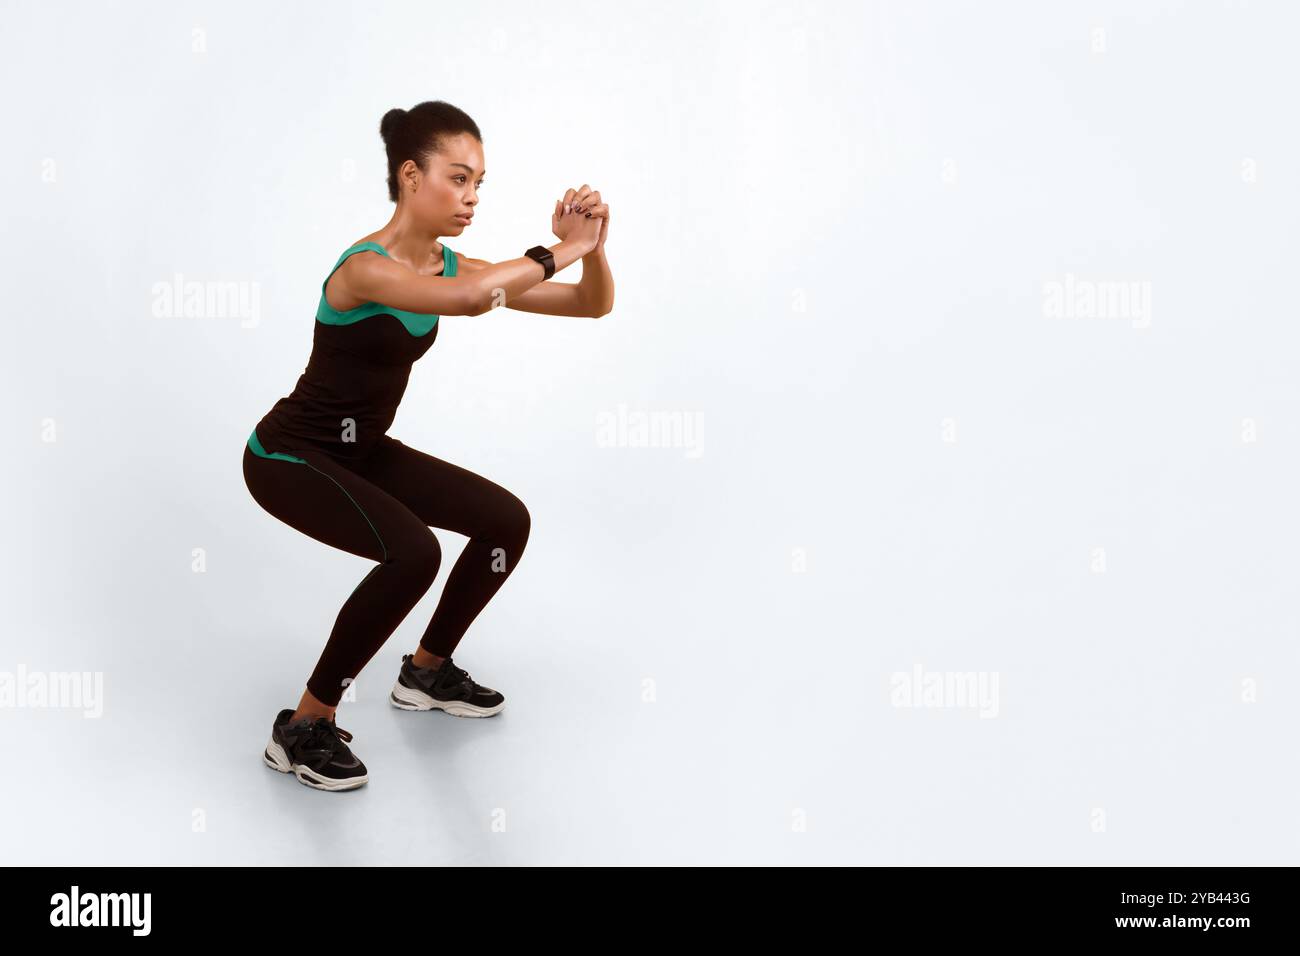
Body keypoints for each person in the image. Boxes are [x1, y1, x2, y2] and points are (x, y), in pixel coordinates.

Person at [244, 100, 613, 791]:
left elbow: (589, 305)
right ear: (411, 177)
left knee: (505, 520)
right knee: (414, 553)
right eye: (459, 178)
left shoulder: (450, 265)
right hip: (288, 456)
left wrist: (596, 247)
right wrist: (565, 249)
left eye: (481, 184)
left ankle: (427, 672)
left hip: (361, 449)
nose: (472, 197)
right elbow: (477, 299)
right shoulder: (364, 269)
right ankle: (303, 726)